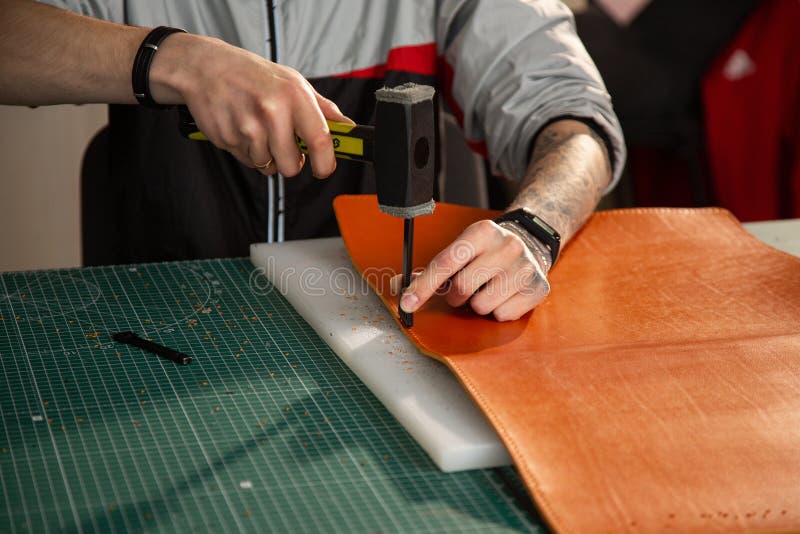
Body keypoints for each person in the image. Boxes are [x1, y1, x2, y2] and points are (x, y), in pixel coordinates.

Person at [0, 0, 625, 322]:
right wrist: (172, 60)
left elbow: (576, 122)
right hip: (163, 332)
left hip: (370, 325)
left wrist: (536, 228)